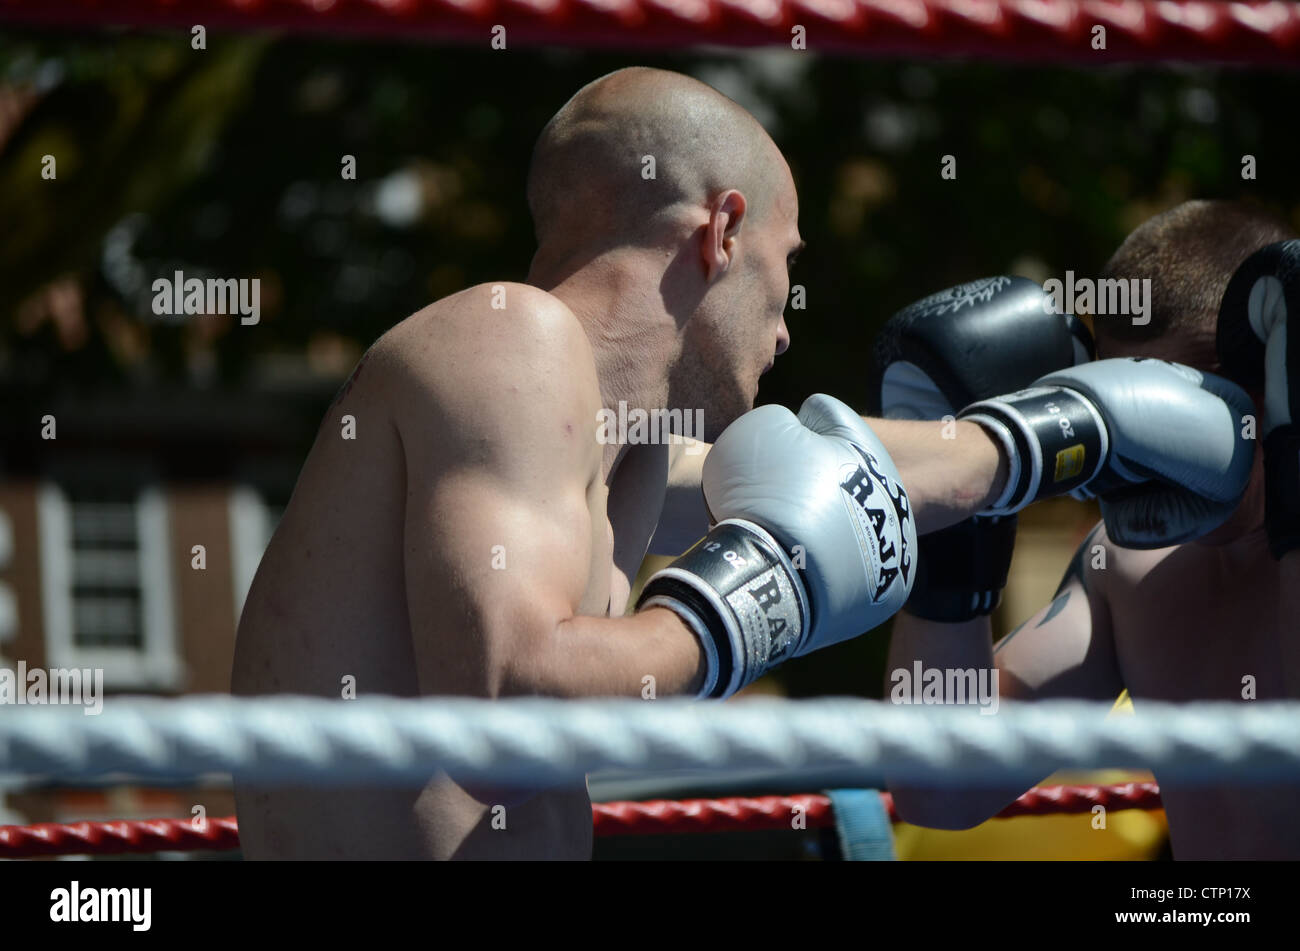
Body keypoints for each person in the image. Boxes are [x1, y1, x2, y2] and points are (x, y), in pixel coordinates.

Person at [231, 69, 1250, 860]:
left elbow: (843, 462)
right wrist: (749, 595)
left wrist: (1059, 432)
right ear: (722, 230)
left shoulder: (613, 454)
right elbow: (507, 713)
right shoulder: (512, 341)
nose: (785, 326)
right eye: (788, 264)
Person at [884, 200, 1300, 859]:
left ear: (1271, 378)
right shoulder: (1128, 568)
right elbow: (941, 789)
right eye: (1130, 425)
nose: (1149, 464)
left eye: (1178, 413)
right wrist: (958, 525)